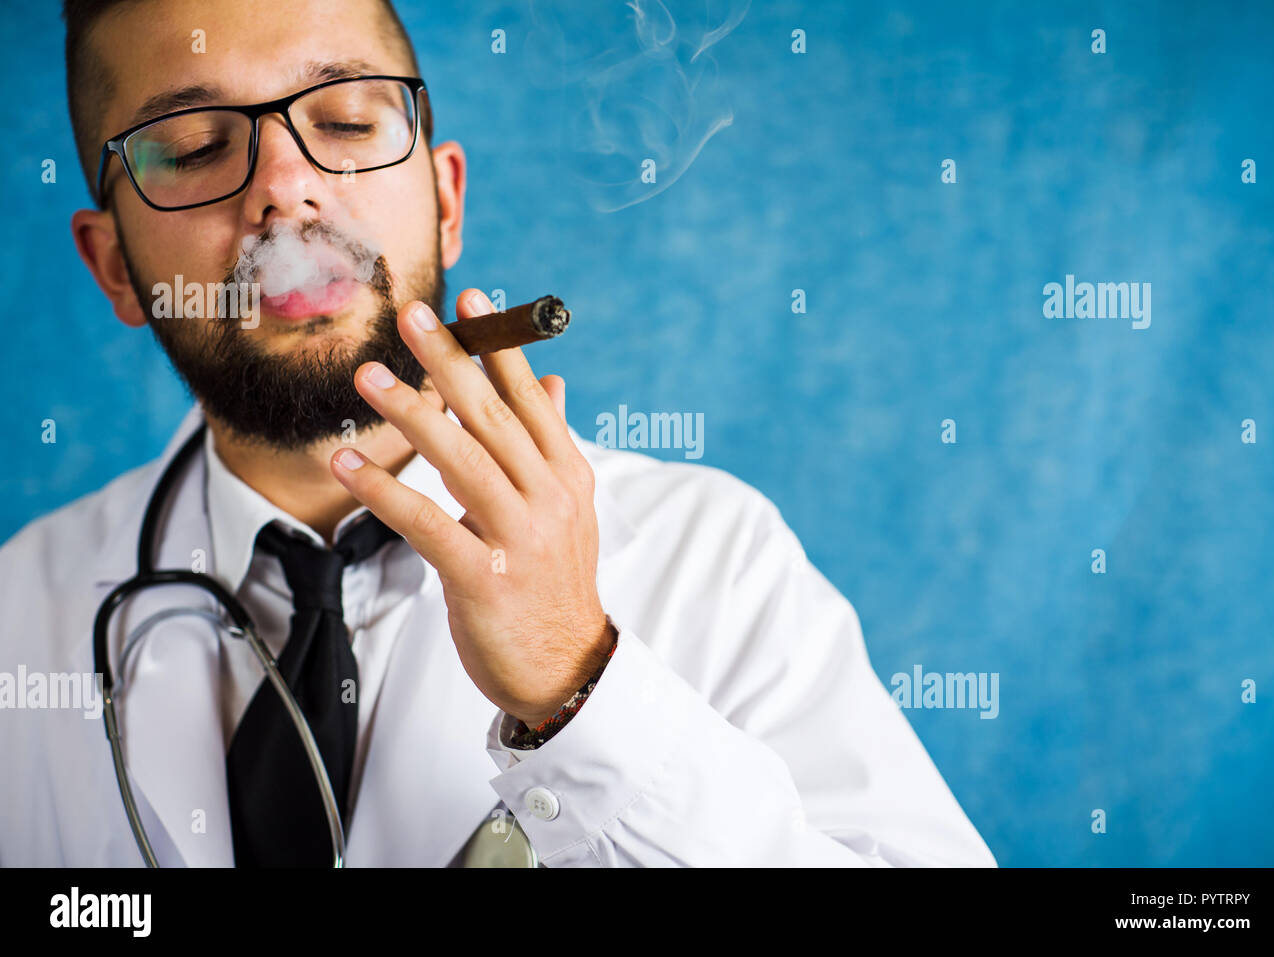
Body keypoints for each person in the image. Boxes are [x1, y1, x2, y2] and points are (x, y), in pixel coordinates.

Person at [0, 0, 997, 867]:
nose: (286, 189)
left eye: (345, 120)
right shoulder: (19, 614)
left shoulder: (713, 556)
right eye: (194, 148)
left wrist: (577, 685)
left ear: (445, 198)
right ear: (117, 266)